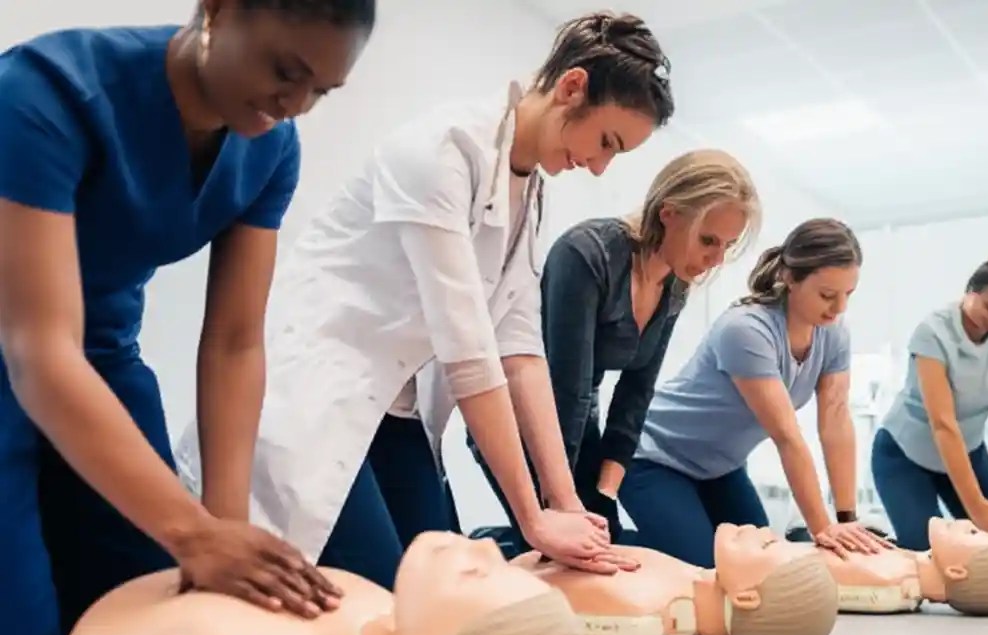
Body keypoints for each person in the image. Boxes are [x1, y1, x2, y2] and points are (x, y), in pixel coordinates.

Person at [175, 11, 676, 590]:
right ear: (572, 88)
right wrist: (533, 520)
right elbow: (470, 352)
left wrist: (563, 502)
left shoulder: (528, 191)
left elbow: (519, 348)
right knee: (389, 598)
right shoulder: (440, 151)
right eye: (605, 142)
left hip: (398, 409)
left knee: (446, 587)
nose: (597, 166)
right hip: (320, 391)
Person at [0, 2, 375, 635]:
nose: (294, 104)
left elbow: (235, 341)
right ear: (219, 10)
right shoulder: (43, 93)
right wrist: (194, 531)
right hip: (24, 348)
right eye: (285, 71)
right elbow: (36, 348)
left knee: (156, 611)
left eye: (320, 91)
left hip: (103, 360)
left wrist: (222, 526)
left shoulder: (270, 148)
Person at [473, 148, 762, 548]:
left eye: (727, 246)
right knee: (559, 554)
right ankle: (499, 546)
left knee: (603, 546)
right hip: (521, 421)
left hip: (578, 424)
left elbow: (635, 396)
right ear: (669, 213)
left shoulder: (675, 286)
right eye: (708, 240)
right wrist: (565, 504)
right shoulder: (587, 254)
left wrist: (605, 493)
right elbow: (565, 389)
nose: (715, 260)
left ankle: (512, 542)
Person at [617, 218, 893, 568]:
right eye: (827, 295)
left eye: (847, 295)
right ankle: (593, 544)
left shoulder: (834, 333)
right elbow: (787, 435)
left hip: (721, 470)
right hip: (654, 459)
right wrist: (822, 528)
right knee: (704, 569)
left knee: (759, 566)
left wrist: (846, 518)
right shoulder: (746, 330)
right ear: (791, 278)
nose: (839, 308)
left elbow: (836, 421)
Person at [871, 254, 988, 550]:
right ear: (970, 290)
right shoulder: (933, 333)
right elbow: (943, 424)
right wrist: (977, 510)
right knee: (930, 551)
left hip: (968, 452)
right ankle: (875, 539)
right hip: (906, 455)